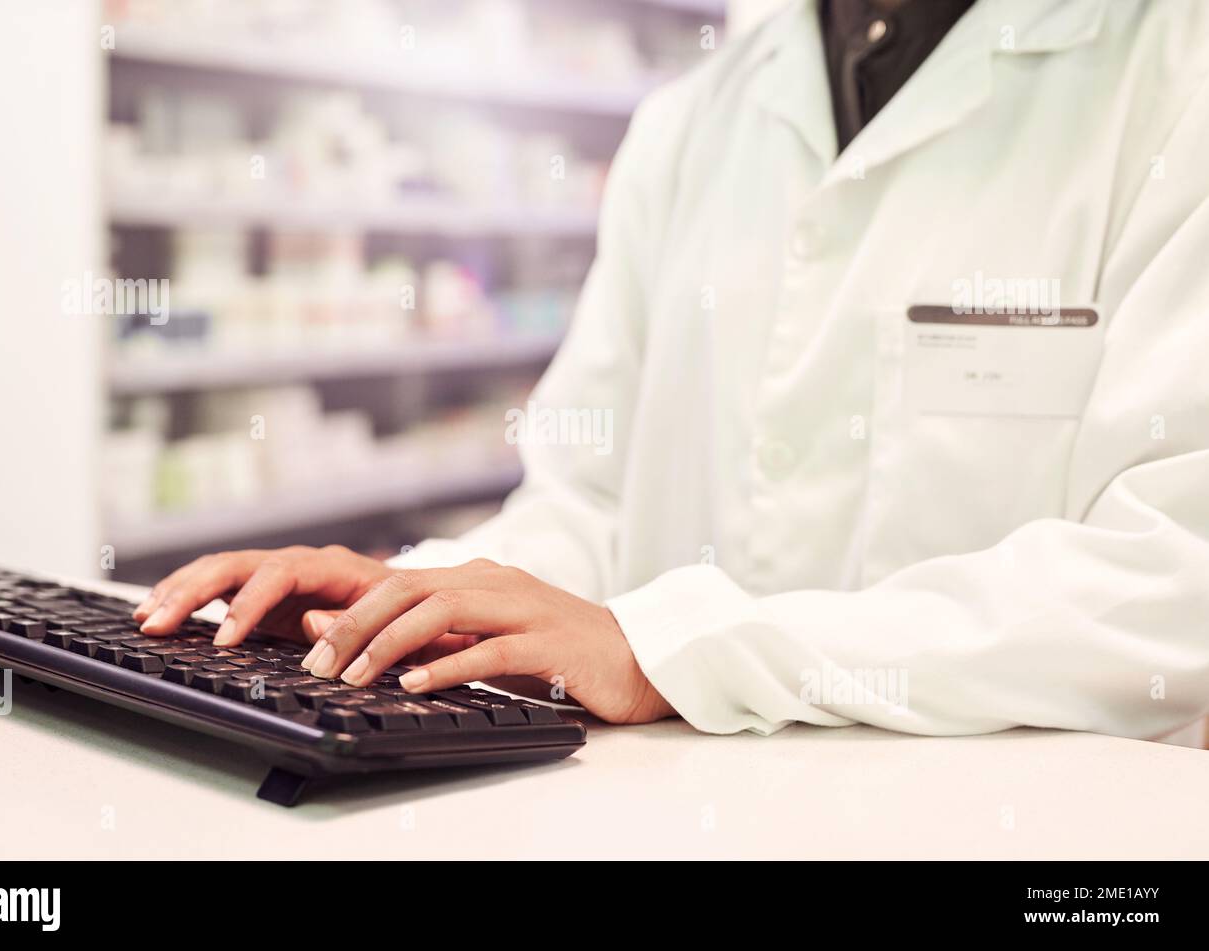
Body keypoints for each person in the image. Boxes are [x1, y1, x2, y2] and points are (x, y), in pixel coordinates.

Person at [134, 0, 1209, 738]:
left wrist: (675, 652)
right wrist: (423, 602)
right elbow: (591, 501)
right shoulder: (691, 122)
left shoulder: (1173, 77)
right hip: (680, 808)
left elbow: (1171, 580)